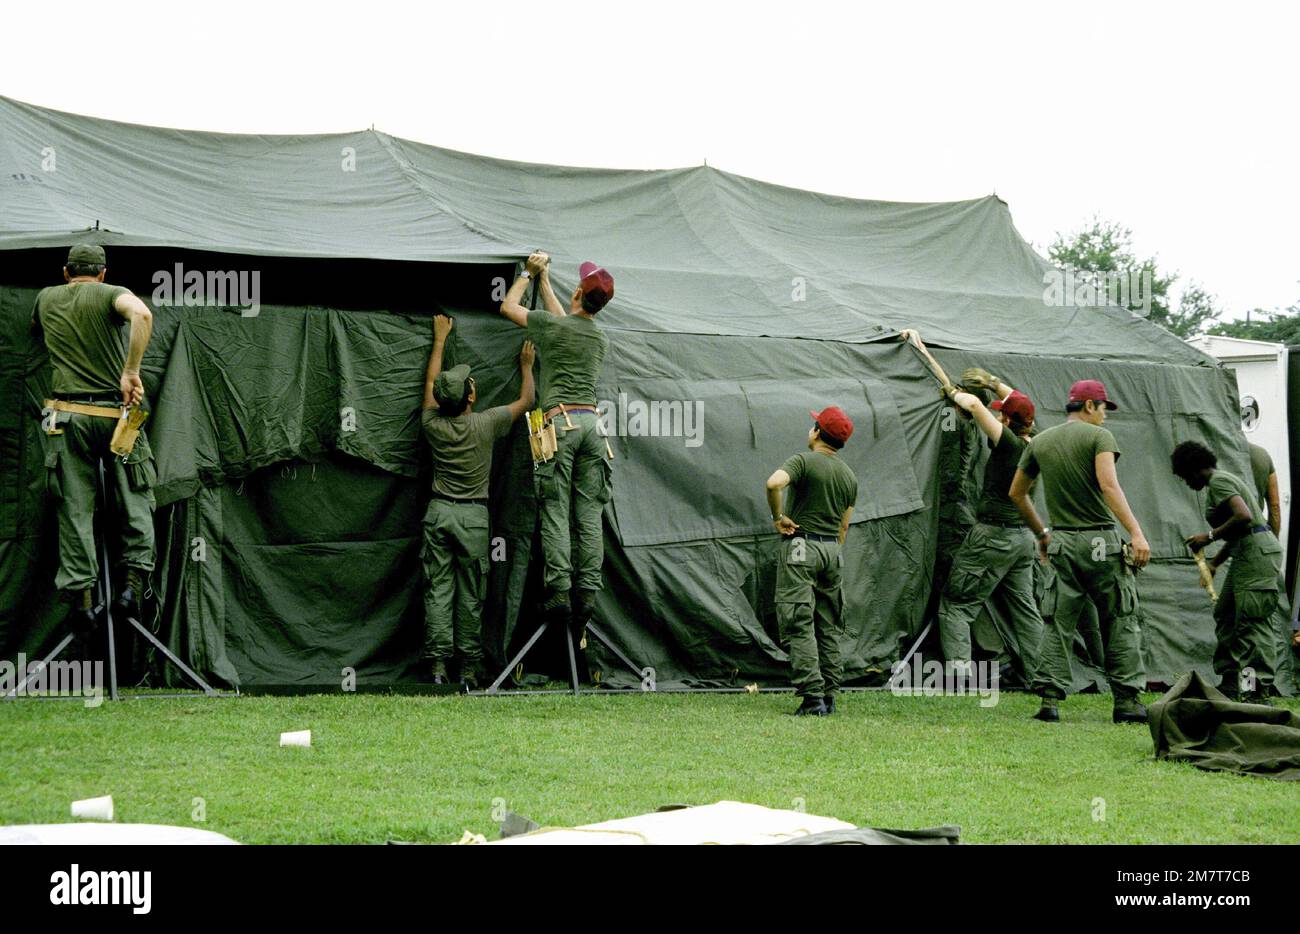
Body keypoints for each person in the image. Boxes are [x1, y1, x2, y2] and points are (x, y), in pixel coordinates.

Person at [1008, 380, 1150, 724]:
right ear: (1089, 406)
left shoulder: (1040, 441)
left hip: (1063, 543)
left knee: (1057, 623)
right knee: (1119, 619)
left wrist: (1042, 534)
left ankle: (1049, 702)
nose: (1105, 417)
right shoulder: (1099, 438)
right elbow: (1108, 484)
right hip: (1100, 541)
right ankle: (1127, 702)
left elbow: (1016, 493)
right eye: (1103, 409)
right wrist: (1136, 532)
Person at [32, 244, 155, 628]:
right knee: (135, 498)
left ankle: (83, 603)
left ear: (66, 272)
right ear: (102, 273)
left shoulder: (44, 298)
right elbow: (142, 313)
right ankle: (131, 588)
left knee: (75, 509)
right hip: (114, 416)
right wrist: (130, 372)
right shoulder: (110, 293)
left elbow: (36, 332)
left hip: (65, 418)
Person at [498, 253, 613, 642]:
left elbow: (507, 306)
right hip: (592, 426)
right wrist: (546, 281)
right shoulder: (598, 337)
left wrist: (528, 275)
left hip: (558, 425)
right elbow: (565, 322)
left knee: (554, 508)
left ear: (578, 292)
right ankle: (587, 595)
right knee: (588, 514)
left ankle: (559, 590)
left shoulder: (554, 327)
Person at [420, 315, 535, 687]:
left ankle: (437, 668)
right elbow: (527, 400)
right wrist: (527, 367)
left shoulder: (431, 424)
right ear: (471, 397)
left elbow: (429, 387)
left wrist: (439, 340)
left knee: (438, 589)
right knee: (470, 595)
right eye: (471, 383)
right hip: (472, 519)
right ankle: (467, 671)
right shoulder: (486, 424)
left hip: (438, 512)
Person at [939, 374, 1044, 687]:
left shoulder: (1009, 444)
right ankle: (1039, 676)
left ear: (1007, 420)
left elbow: (972, 404)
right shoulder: (1035, 440)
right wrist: (993, 383)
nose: (998, 416)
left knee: (956, 605)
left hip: (992, 537)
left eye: (1002, 414)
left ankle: (959, 677)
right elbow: (1020, 401)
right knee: (1025, 610)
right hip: (1023, 540)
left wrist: (955, 394)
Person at [765, 407, 858, 716]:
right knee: (829, 625)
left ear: (817, 433)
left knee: (799, 622)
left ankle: (812, 697)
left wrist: (778, 517)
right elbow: (844, 526)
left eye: (813, 425)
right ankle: (830, 694)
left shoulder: (803, 461)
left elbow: (774, 483)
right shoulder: (849, 476)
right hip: (832, 551)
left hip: (802, 548)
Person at [1172, 440, 1282, 703]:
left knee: (1250, 624)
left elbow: (1243, 517)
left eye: (1185, 477)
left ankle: (1255, 690)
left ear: (1194, 469)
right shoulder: (1220, 482)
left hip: (1256, 557)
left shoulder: (1219, 481)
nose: (1187, 484)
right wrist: (1214, 563)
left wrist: (1208, 537)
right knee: (1227, 614)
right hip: (1245, 552)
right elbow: (1239, 531)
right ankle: (1232, 681)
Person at [1247, 442, 1281, 539]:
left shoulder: (1210, 454)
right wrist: (1274, 541)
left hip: (1216, 538)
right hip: (1255, 536)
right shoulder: (1261, 454)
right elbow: (1275, 506)